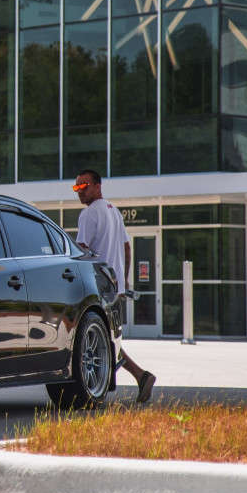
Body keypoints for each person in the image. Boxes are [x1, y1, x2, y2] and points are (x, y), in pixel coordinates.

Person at [73, 168, 156, 404]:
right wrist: (124, 279)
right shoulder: (114, 211)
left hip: (99, 287)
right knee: (109, 339)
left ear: (98, 186)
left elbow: (81, 249)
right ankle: (140, 377)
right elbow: (126, 248)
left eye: (84, 186)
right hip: (115, 288)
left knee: (102, 340)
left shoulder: (89, 214)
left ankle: (131, 378)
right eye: (76, 187)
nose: (80, 191)